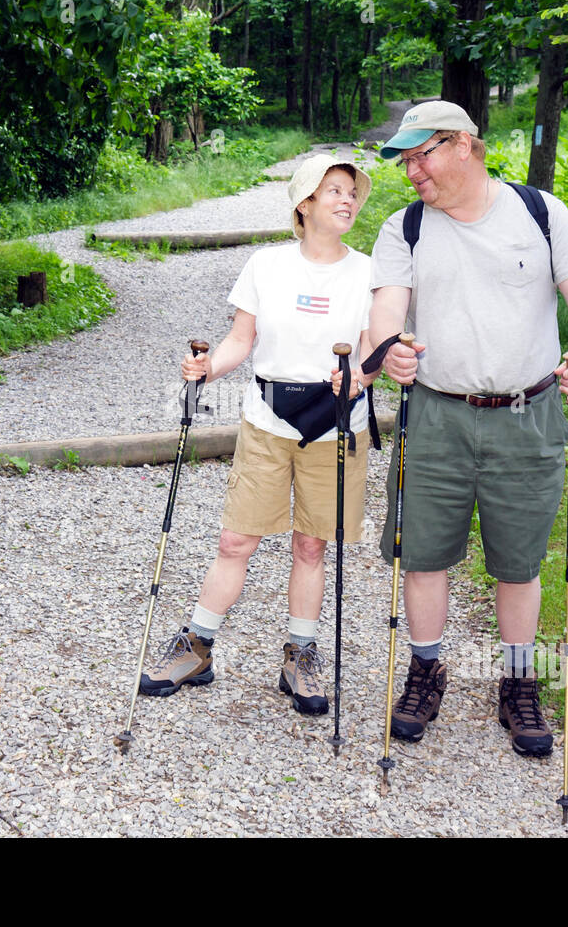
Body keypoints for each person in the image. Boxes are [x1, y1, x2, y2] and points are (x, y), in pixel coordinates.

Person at [368, 101, 568, 757]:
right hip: (436, 415)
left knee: (518, 562)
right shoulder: (406, 227)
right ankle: (425, 671)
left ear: (466, 144)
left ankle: (519, 681)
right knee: (422, 554)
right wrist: (388, 345)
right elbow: (385, 308)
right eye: (406, 160)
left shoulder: (540, 212)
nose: (414, 171)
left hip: (529, 416)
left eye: (425, 155)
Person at [138, 153, 379, 718]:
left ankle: (300, 656)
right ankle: (196, 647)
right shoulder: (266, 265)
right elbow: (240, 341)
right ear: (305, 204)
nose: (347, 201)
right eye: (335, 191)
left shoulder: (369, 271)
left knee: (312, 544)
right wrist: (207, 369)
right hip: (269, 419)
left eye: (352, 193)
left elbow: (372, 346)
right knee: (236, 541)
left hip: (339, 421)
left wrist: (361, 375)